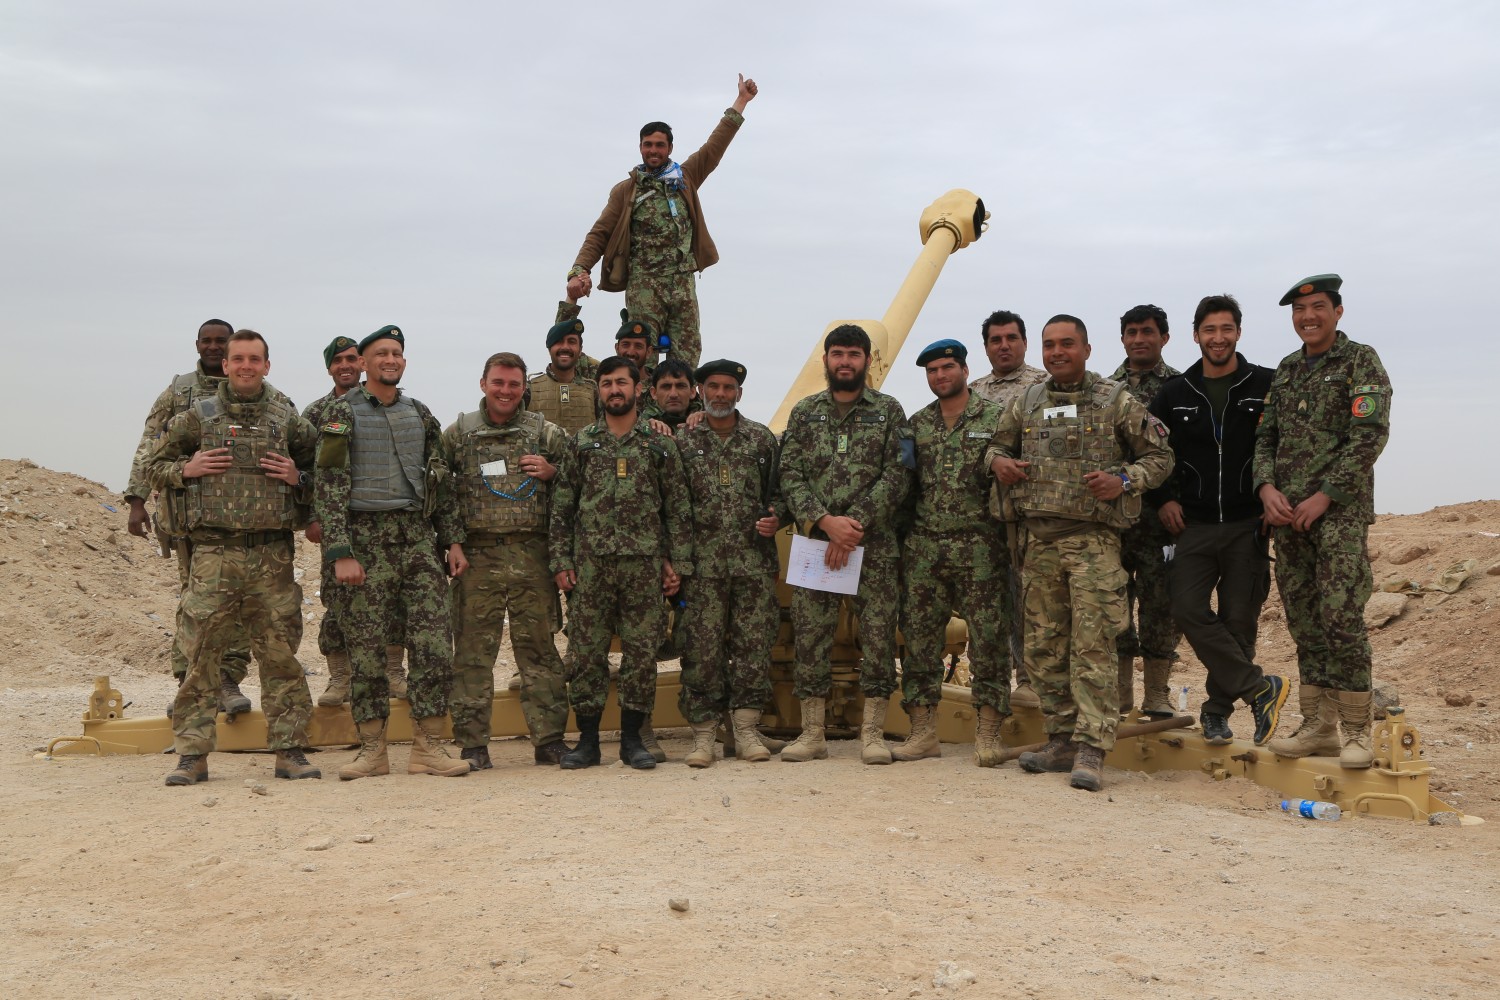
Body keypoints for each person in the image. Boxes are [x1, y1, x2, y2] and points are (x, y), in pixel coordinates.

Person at [986, 315, 1174, 791]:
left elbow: (1160, 457)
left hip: (1093, 542)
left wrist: (1124, 480)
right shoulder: (1026, 401)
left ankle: (1092, 747)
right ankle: (1061, 738)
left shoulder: (1115, 401)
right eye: (1050, 345)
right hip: (1038, 542)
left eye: (1067, 344)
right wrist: (1000, 462)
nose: (1057, 352)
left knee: (1092, 647)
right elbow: (992, 448)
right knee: (1044, 647)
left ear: (1087, 349)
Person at [146, 329, 319, 785]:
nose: (245, 366)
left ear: (267, 364)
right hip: (213, 553)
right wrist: (186, 468)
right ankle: (191, 755)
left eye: (254, 359)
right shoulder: (196, 418)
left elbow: (329, 469)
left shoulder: (288, 420)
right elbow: (151, 464)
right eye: (237, 358)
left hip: (272, 555)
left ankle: (290, 751)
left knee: (280, 655)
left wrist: (299, 475)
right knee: (200, 655)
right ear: (225, 365)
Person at [313, 325, 471, 779]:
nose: (391, 359)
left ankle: (428, 747)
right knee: (365, 648)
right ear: (362, 363)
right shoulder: (340, 414)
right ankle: (372, 750)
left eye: (397, 353)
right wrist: (341, 551)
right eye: (381, 352)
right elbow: (330, 484)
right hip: (365, 538)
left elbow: (440, 481)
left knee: (434, 643)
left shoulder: (419, 413)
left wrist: (451, 540)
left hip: (416, 537)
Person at [1255, 274, 1391, 768]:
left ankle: (1356, 730)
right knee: (1305, 622)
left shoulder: (1360, 360)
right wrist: (1266, 488)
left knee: (1342, 618)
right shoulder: (1288, 369)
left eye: (1316, 307)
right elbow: (1265, 438)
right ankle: (1318, 726)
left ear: (1337, 311)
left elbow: (1369, 434)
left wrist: (1326, 496)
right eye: (1298, 310)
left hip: (1338, 516)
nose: (1306, 317)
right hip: (1287, 517)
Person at [1149, 295, 1288, 745]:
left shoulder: (1266, 383)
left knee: (1238, 619)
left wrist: (1273, 499)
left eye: (1226, 329)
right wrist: (1164, 499)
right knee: (1186, 608)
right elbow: (1154, 454)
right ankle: (1258, 688)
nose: (1218, 338)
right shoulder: (1173, 392)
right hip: (1195, 524)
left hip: (1250, 523)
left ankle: (1216, 712)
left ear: (1238, 333)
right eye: (1210, 330)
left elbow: (1283, 447)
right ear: (1196, 335)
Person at [550, 356, 694, 770]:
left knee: (640, 654)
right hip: (591, 568)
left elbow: (677, 510)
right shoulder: (581, 443)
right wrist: (561, 559)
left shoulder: (658, 445)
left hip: (644, 567)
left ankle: (633, 740)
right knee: (586, 654)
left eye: (622, 383)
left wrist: (677, 564)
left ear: (638, 390)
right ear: (599, 390)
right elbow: (563, 509)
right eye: (607, 383)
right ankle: (589, 741)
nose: (614, 390)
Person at [778, 325, 913, 765]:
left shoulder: (890, 412)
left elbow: (898, 474)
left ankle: (871, 733)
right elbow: (790, 474)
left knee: (877, 638)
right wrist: (825, 522)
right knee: (811, 635)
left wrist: (853, 526)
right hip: (817, 545)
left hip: (871, 547)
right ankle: (813, 732)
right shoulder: (804, 413)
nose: (845, 362)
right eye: (837, 354)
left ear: (867, 361)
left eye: (854, 355)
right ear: (826, 360)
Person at [565, 74, 759, 370]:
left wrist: (741, 101)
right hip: (645, 283)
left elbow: (715, 146)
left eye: (659, 145)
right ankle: (643, 412)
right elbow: (600, 234)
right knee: (642, 357)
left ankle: (687, 413)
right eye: (647, 145)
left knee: (688, 356)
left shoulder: (686, 177)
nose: (653, 150)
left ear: (669, 148)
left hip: (682, 281)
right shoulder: (626, 190)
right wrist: (579, 270)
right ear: (640, 148)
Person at [125, 318, 261, 716]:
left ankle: (227, 679)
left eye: (223, 341)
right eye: (209, 341)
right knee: (193, 603)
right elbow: (151, 443)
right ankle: (189, 682)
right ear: (197, 344)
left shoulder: (249, 389)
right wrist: (136, 500)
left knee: (235, 603)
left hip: (238, 517)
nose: (215, 347)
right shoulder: (179, 391)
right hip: (187, 516)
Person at [444, 352, 573, 769]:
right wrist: (452, 542)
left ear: (524, 389)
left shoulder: (544, 433)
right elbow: (436, 487)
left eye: (514, 384)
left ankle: (549, 738)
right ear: (483, 383)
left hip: (531, 553)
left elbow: (582, 475)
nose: (506, 391)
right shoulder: (460, 433)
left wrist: (553, 472)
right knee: (472, 652)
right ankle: (472, 744)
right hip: (477, 555)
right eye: (498, 383)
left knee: (538, 650)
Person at [896, 339, 1012, 765]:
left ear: (964, 369)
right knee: (921, 642)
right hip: (925, 548)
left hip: (981, 546)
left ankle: (988, 732)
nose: (940, 377)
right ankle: (923, 732)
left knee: (989, 641)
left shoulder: (996, 419)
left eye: (947, 368)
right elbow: (906, 488)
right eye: (932, 371)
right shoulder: (916, 424)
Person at [675, 359, 783, 766]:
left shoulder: (760, 440)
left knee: (753, 646)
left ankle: (747, 730)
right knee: (701, 649)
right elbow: (674, 504)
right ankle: (704, 736)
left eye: (729, 387)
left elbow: (781, 491)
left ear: (739, 392)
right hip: (702, 567)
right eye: (713, 387)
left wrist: (779, 517)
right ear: (699, 390)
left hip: (752, 563)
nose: (721, 394)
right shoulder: (683, 441)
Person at [303, 336, 408, 708]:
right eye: (338, 361)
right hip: (338, 527)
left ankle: (394, 672)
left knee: (395, 601)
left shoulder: (391, 406)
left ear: (362, 363)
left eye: (352, 359)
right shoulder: (317, 414)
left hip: (385, 526)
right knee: (338, 601)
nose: (346, 366)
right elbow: (308, 471)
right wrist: (313, 517)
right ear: (330, 368)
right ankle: (340, 677)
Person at [967, 309, 1047, 710]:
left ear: (1024, 342)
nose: (1003, 346)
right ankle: (994, 681)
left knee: (1032, 598)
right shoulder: (973, 391)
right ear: (986, 347)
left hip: (1034, 512)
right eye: (995, 340)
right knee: (994, 599)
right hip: (984, 514)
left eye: (1011, 338)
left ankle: (1031, 679)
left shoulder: (1046, 385)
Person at [1108, 304, 1183, 718]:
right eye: (1132, 332)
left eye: (1148, 332)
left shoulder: (1180, 386)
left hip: (1161, 519)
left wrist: (1173, 499)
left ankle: (1156, 693)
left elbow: (1180, 453)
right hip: (1117, 519)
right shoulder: (1105, 389)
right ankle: (1120, 694)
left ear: (1164, 338)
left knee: (1160, 605)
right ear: (1122, 339)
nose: (1139, 339)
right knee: (1115, 604)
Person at [526, 315, 599, 436]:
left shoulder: (593, 390)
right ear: (549, 348)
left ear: (580, 349)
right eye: (559, 342)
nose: (565, 347)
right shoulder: (529, 389)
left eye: (571, 342)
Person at [639, 358, 700, 433]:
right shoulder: (640, 424)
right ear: (654, 393)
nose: (673, 394)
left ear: (692, 392)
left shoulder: (708, 421)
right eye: (666, 387)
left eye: (680, 386)